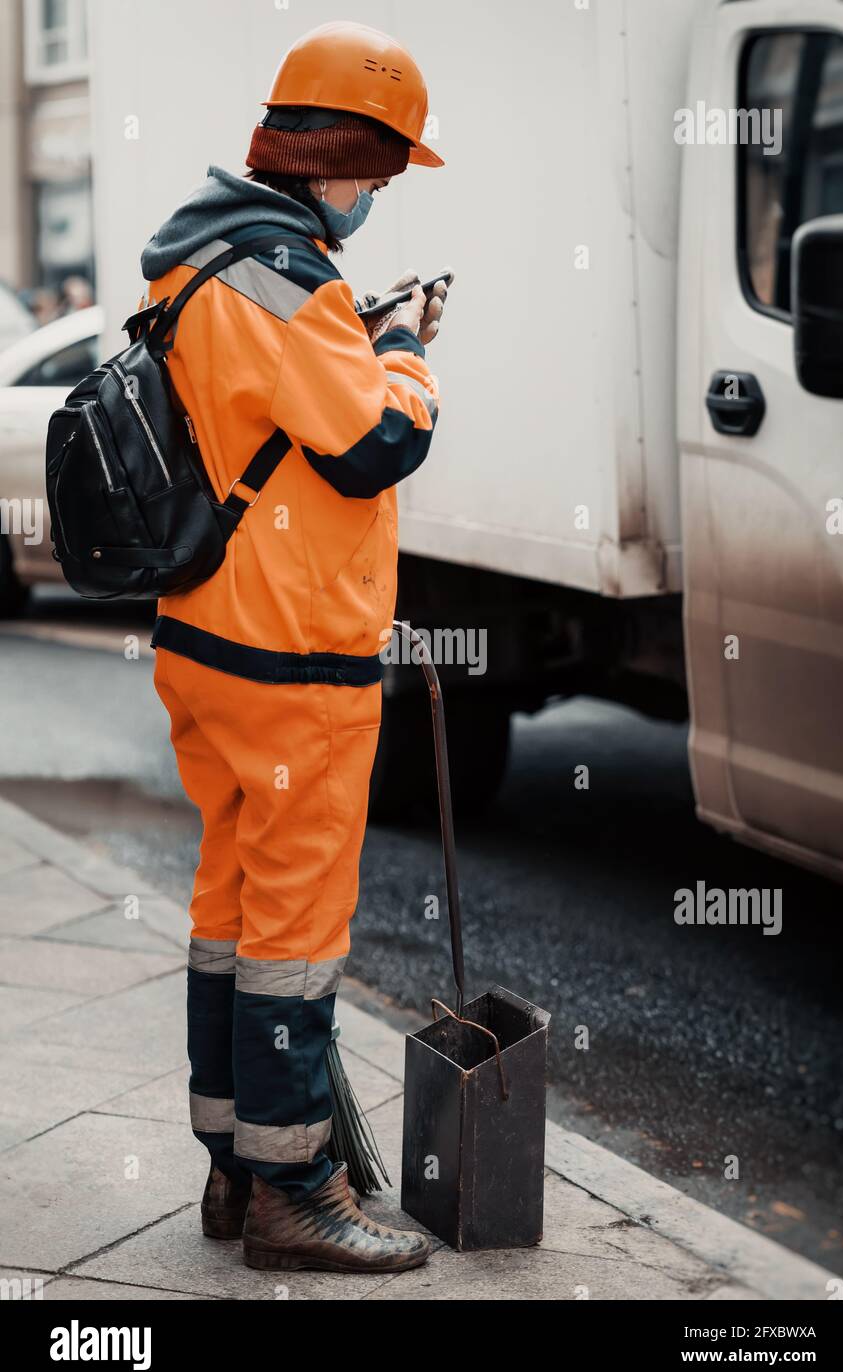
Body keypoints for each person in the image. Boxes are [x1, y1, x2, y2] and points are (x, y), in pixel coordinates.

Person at [141, 20, 448, 1274]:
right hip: (294, 661)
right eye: (376, 176)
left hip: (202, 639)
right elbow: (375, 443)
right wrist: (411, 349)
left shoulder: (194, 255)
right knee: (296, 933)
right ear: (337, 159)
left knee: (229, 905)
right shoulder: (297, 278)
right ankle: (293, 1192)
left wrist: (356, 340)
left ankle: (229, 1163)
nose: (374, 197)